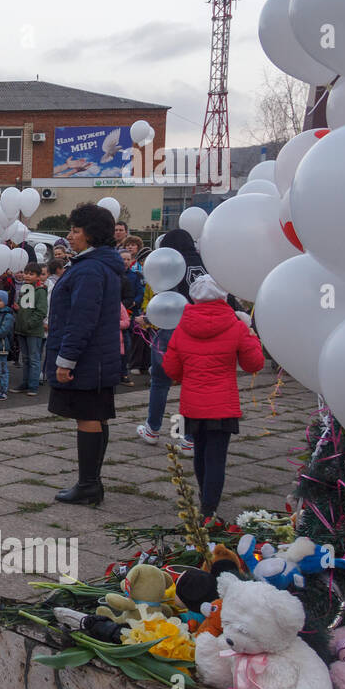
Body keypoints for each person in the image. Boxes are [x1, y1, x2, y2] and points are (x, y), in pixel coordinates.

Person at [161, 275, 265, 520]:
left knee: (200, 451)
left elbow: (171, 369)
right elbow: (254, 363)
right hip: (223, 403)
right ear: (224, 296)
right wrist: (251, 337)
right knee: (217, 456)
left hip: (193, 402)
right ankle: (209, 507)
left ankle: (204, 496)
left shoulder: (182, 327)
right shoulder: (237, 326)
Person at [44, 203, 125, 505]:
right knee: (97, 417)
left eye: (76, 230)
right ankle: (92, 481)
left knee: (88, 417)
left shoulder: (90, 269)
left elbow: (82, 319)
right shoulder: (99, 264)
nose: (70, 236)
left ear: (90, 235)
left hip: (88, 360)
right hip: (99, 359)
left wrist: (66, 360)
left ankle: (88, 484)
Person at [137, 228, 210, 453]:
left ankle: (153, 428)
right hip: (201, 329)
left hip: (172, 329)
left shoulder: (171, 263)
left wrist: (149, 318)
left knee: (160, 381)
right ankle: (188, 438)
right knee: (193, 384)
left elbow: (166, 300)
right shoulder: (207, 264)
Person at [14, 262, 48, 397]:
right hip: (22, 329)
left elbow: (41, 311)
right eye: (26, 273)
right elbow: (24, 308)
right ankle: (25, 383)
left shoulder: (40, 291)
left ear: (38, 277)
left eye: (31, 274)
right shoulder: (24, 288)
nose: (27, 276)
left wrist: (29, 323)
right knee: (25, 359)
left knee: (34, 359)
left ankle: (33, 385)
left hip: (33, 330)